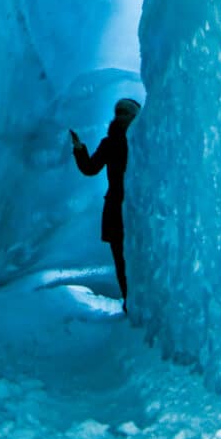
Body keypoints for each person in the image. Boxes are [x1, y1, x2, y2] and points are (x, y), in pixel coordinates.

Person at [70, 98, 141, 312]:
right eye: (120, 113)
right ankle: (132, 303)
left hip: (129, 208)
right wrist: (79, 148)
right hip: (122, 209)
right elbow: (90, 168)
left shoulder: (134, 142)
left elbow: (90, 168)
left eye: (125, 113)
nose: (121, 117)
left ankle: (136, 302)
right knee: (123, 258)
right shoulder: (114, 143)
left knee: (128, 258)